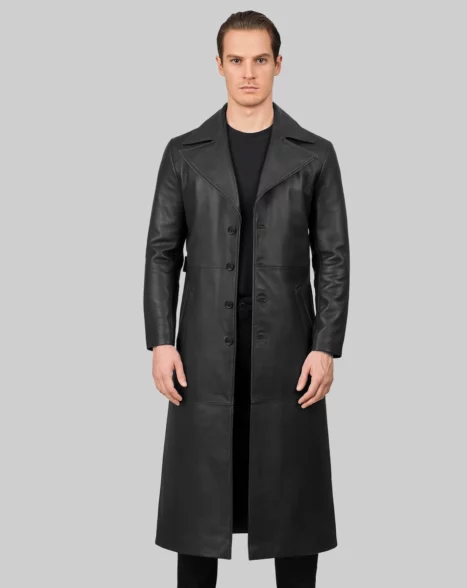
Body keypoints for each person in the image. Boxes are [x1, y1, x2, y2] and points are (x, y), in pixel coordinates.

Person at [143, 10, 350, 588]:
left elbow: (333, 256)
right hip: (203, 353)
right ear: (219, 65)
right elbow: (161, 252)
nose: (249, 73)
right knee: (198, 516)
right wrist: (161, 341)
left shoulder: (315, 154)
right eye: (237, 60)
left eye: (260, 59)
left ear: (279, 64)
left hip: (288, 352)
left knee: (293, 512)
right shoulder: (184, 153)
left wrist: (325, 346)